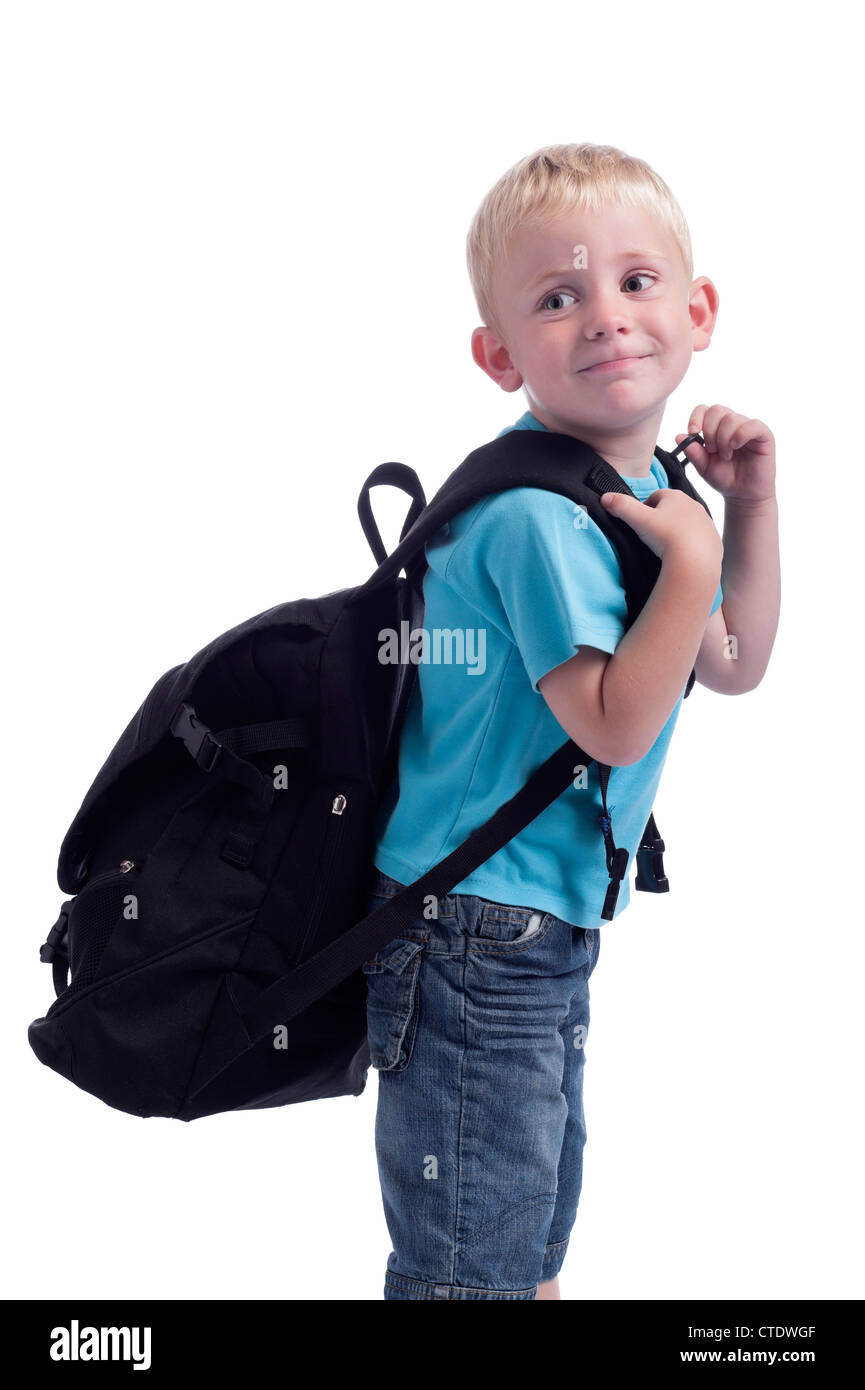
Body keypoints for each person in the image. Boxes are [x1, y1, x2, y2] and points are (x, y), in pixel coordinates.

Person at [363, 142, 780, 1300]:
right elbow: (609, 723)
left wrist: (743, 512)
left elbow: (733, 660)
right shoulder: (531, 521)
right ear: (500, 357)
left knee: (525, 1238)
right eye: (559, 296)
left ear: (697, 312)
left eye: (637, 282)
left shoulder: (652, 498)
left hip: (534, 931)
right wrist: (692, 560)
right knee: (469, 1269)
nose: (606, 315)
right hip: (469, 931)